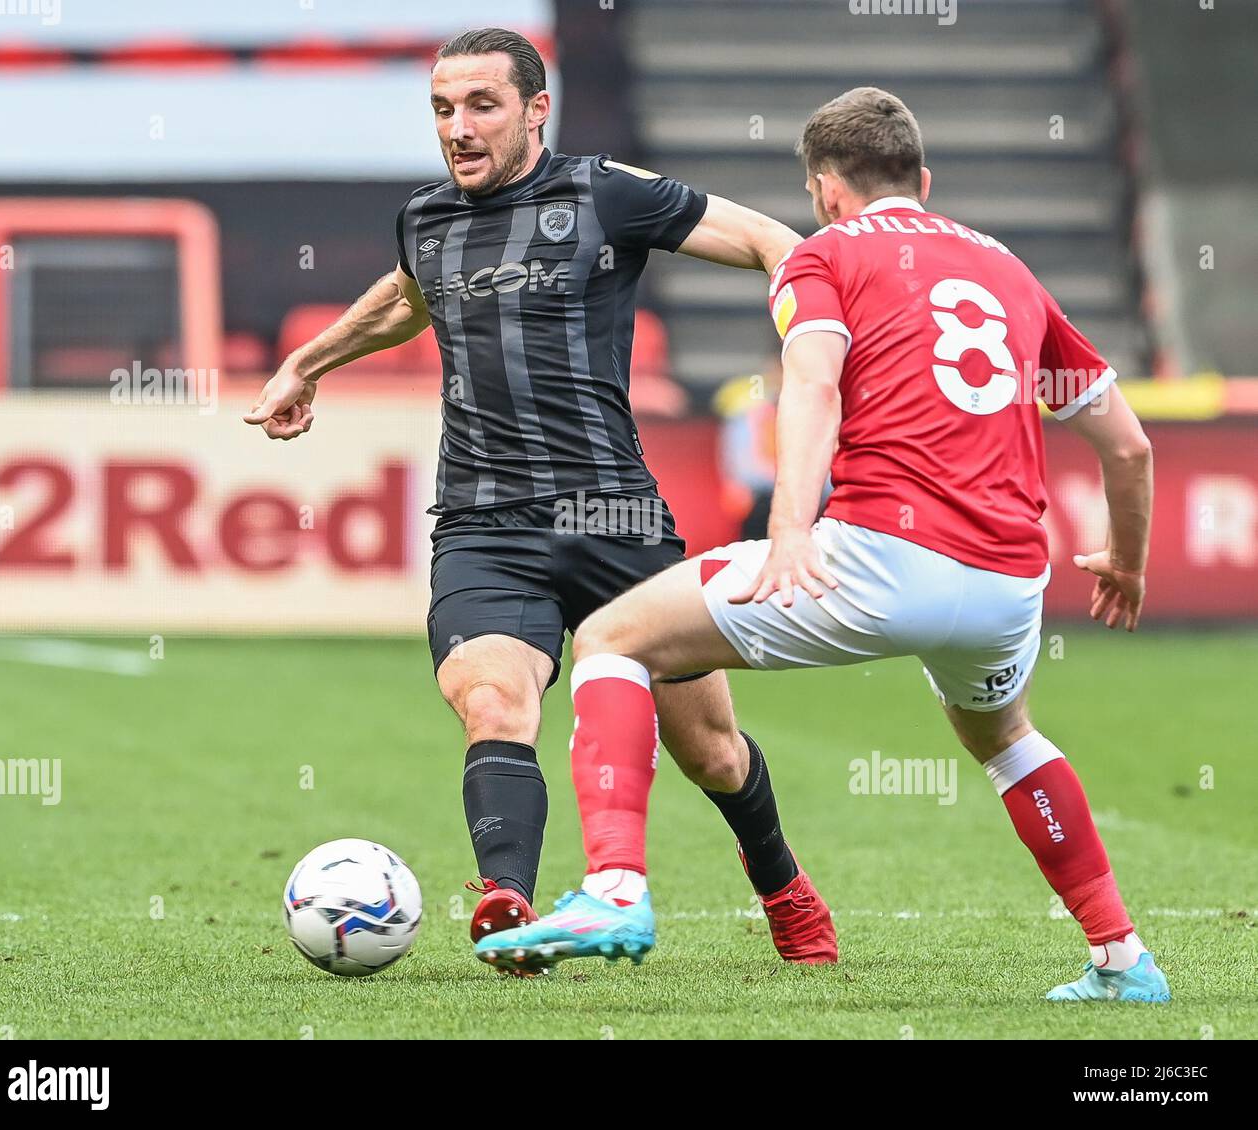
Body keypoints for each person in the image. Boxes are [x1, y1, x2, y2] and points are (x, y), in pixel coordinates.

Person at [476, 86, 1170, 1005]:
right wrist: (1126, 561)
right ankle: (1122, 959)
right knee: (1008, 743)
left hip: (874, 559)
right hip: (1009, 584)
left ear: (822, 190)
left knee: (611, 638)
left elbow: (809, 387)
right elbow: (1129, 444)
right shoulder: (1009, 270)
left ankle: (613, 892)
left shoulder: (823, 256)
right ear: (922, 180)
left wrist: (789, 531)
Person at [244, 27, 836, 967]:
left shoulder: (604, 192)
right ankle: (509, 905)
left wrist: (820, 345)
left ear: (534, 110)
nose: (459, 127)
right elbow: (407, 299)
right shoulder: (427, 218)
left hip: (614, 517)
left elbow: (773, 241)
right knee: (493, 702)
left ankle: (785, 888)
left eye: (481, 105)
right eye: (442, 108)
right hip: (484, 523)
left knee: (712, 751)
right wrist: (305, 364)